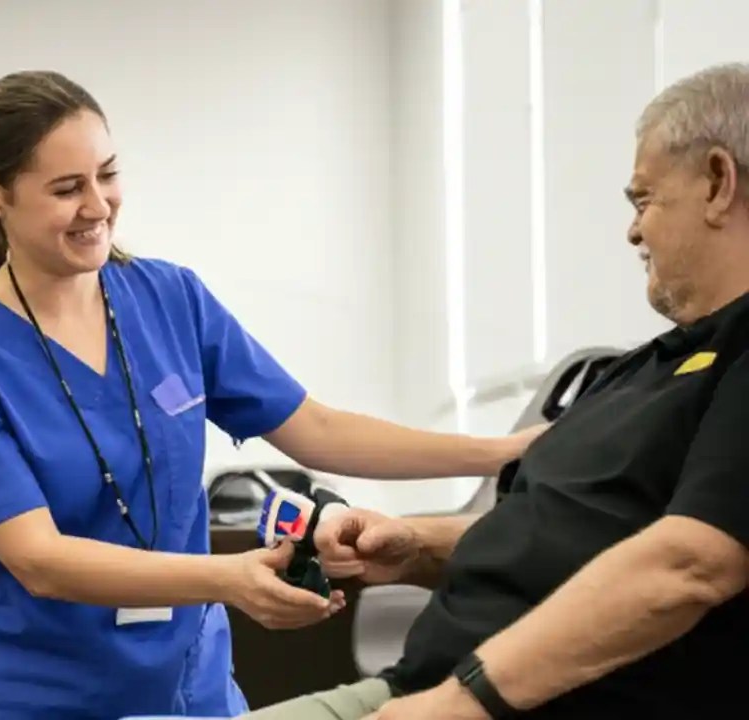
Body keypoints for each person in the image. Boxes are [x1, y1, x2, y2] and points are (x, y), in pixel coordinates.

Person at [0, 70, 545, 720]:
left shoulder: (170, 301)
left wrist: (506, 452)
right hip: (41, 700)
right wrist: (226, 580)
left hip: (194, 694)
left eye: (108, 174)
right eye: (67, 189)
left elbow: (315, 428)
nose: (97, 205)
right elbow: (40, 561)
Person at [238, 62, 749, 720]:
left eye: (644, 201)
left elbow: (690, 564)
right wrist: (415, 546)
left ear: (717, 181)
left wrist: (460, 701)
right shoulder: (636, 371)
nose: (632, 231)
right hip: (417, 686)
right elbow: (544, 534)